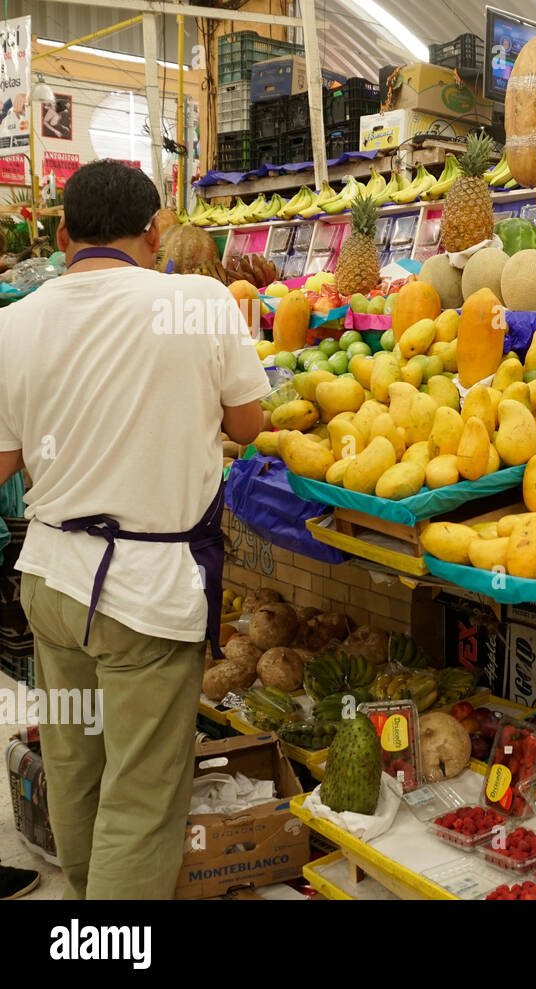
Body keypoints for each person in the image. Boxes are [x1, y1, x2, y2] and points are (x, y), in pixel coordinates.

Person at [0, 159, 267, 899]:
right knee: (141, 797)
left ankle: (89, 906)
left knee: (74, 760)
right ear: (156, 232)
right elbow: (249, 421)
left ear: (61, 234)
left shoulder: (12, 323)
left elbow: (2, 461)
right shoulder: (201, 303)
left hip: (50, 584)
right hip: (144, 599)